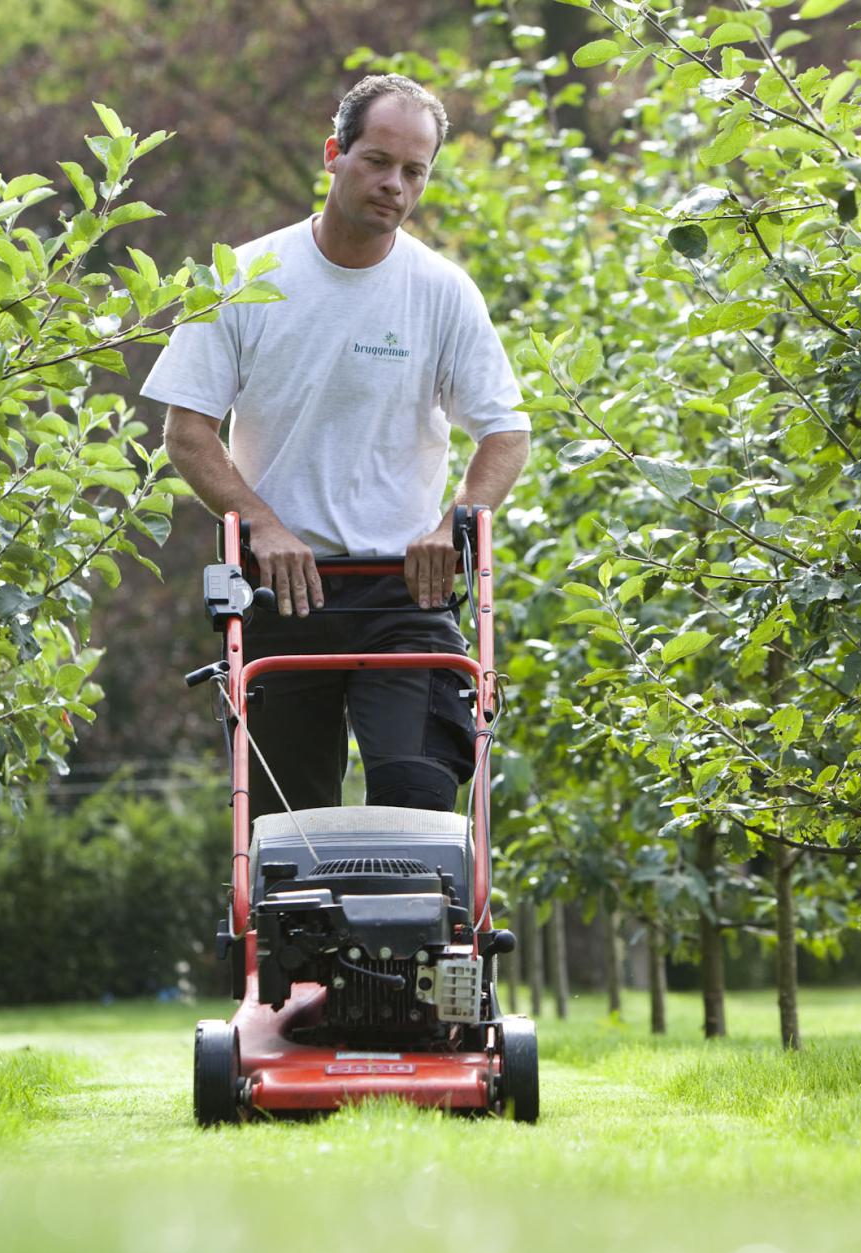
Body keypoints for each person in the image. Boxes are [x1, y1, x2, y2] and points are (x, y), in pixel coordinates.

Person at [142, 73, 530, 820]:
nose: (395, 184)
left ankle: (427, 930)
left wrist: (452, 525)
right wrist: (264, 525)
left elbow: (505, 432)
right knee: (287, 826)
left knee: (419, 800)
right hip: (282, 587)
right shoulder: (244, 279)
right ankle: (288, 937)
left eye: (414, 171)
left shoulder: (442, 292)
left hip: (406, 591)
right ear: (334, 153)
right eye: (378, 161)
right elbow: (187, 433)